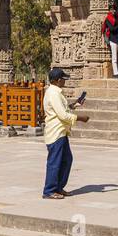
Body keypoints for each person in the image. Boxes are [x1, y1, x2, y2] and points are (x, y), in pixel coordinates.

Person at [42, 67, 89, 199]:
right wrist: (80, 118)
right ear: (57, 80)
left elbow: (63, 109)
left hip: (61, 132)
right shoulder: (54, 93)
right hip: (56, 132)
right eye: (63, 79)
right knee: (55, 162)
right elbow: (62, 115)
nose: (65, 81)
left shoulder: (55, 92)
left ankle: (58, 187)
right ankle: (49, 190)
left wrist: (74, 105)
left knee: (66, 160)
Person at [101, 4, 118, 78]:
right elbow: (112, 29)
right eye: (111, 9)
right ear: (109, 10)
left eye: (114, 9)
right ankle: (116, 74)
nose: (113, 11)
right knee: (114, 57)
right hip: (113, 39)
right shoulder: (108, 19)